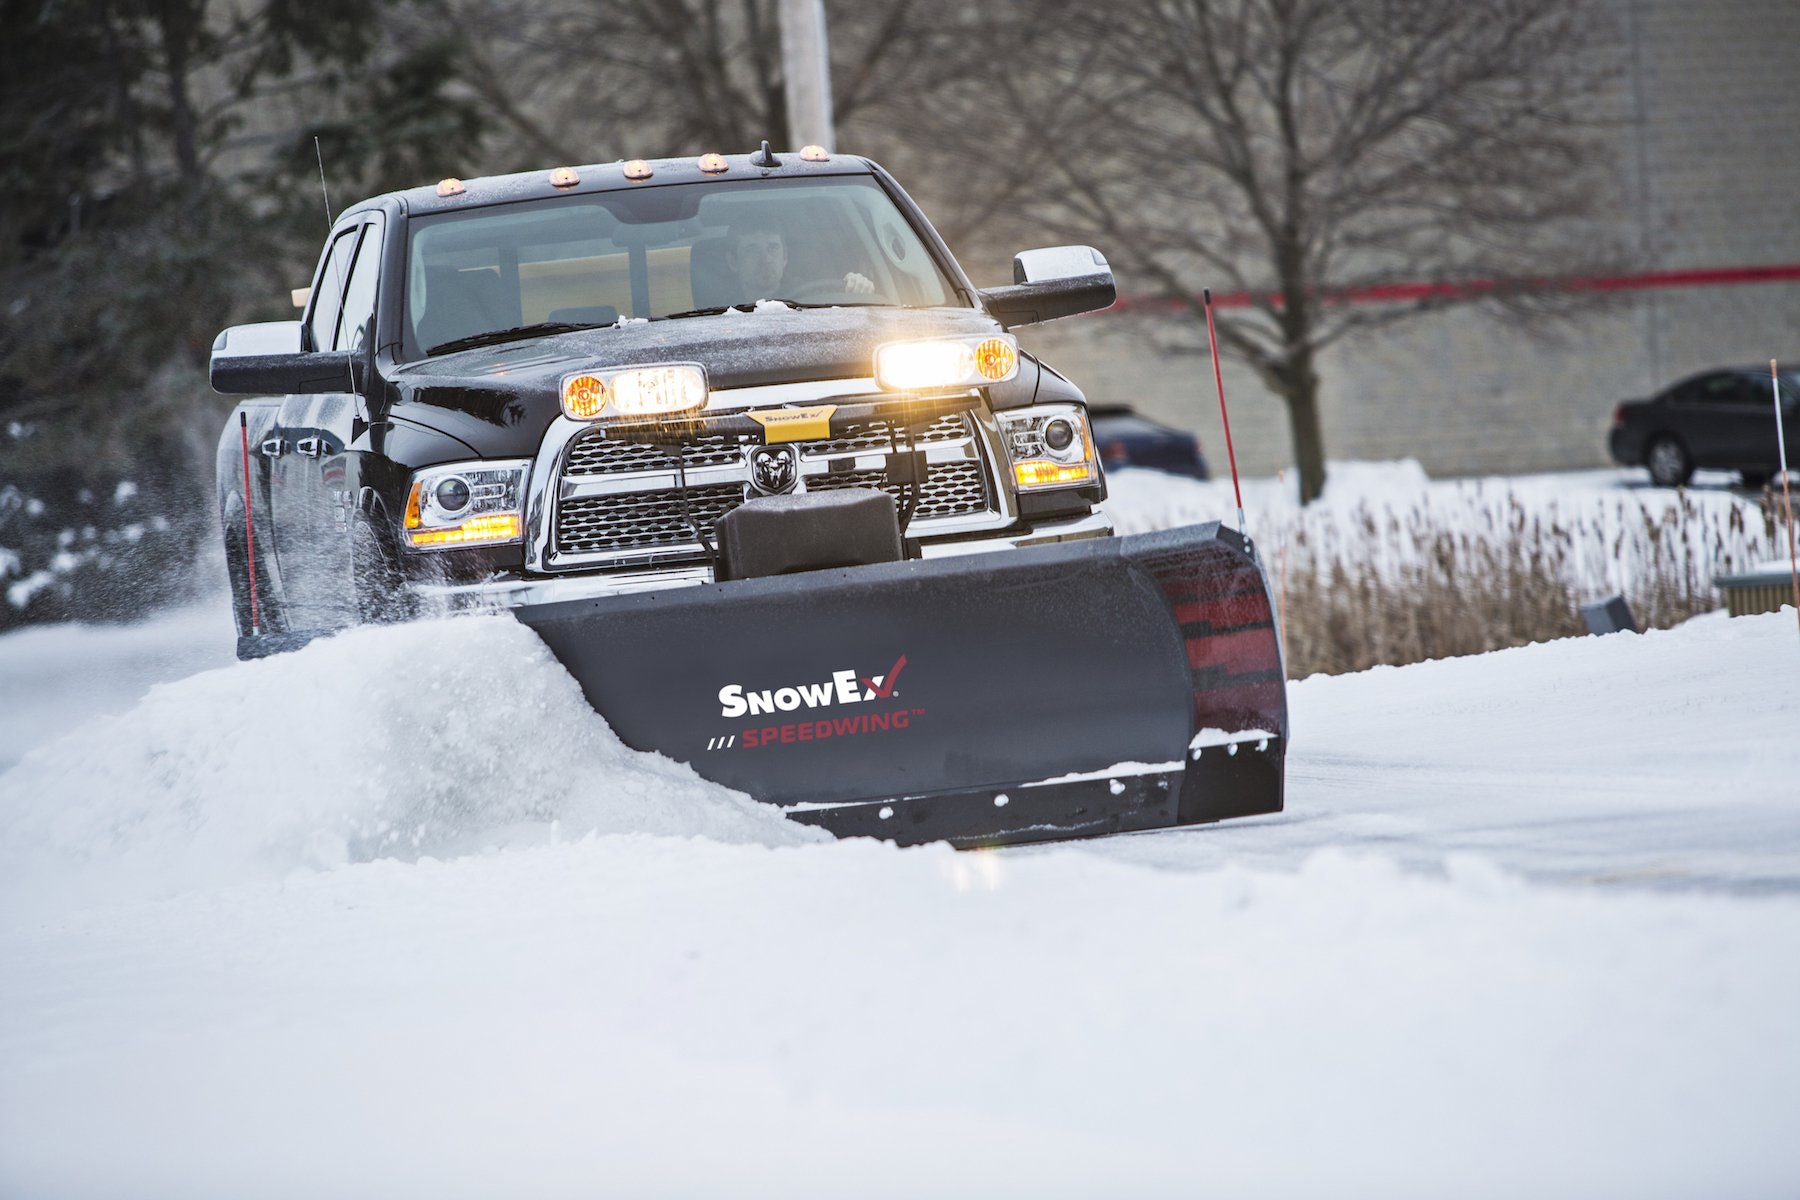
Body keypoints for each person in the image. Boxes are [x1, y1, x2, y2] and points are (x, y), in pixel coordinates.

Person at [725, 219, 874, 301]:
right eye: (752, 250)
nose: (766, 259)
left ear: (785, 257)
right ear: (733, 262)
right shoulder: (716, 311)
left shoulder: (814, 297)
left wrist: (858, 287)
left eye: (773, 248)